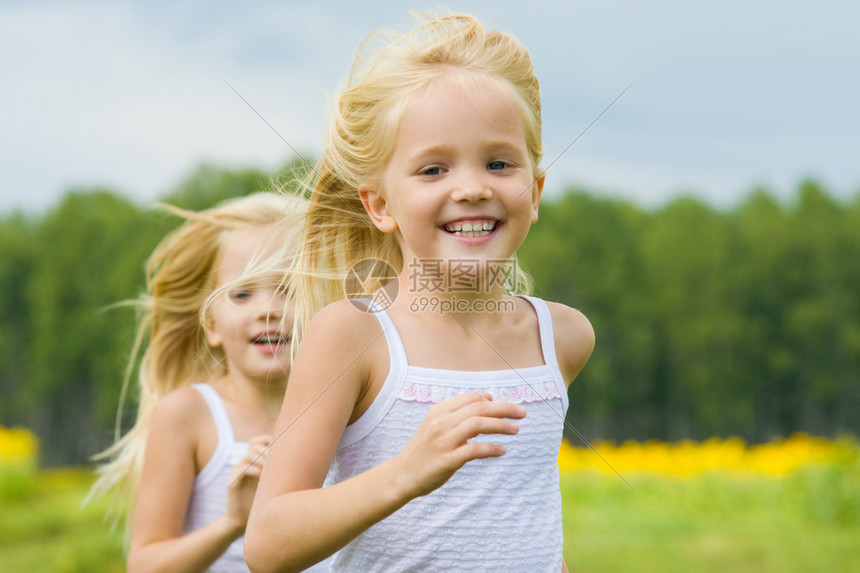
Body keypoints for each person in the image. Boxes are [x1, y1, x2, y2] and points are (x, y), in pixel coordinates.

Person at [245, 12, 595, 573]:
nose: (473, 187)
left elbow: (522, 528)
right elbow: (268, 544)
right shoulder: (354, 336)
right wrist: (407, 472)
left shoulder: (563, 337)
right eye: (433, 170)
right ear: (380, 205)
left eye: (499, 163)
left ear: (534, 190)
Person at [90, 192, 325, 572]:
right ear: (211, 325)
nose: (268, 309)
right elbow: (145, 564)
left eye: (288, 289)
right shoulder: (189, 415)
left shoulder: (347, 412)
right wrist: (233, 523)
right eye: (243, 294)